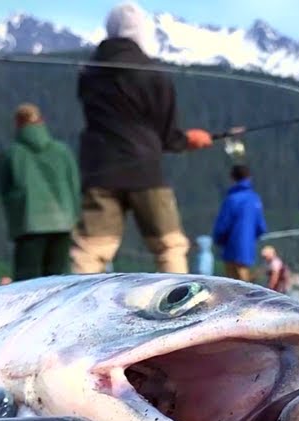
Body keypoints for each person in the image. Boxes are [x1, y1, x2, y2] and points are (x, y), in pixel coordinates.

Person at [71, 2, 213, 276]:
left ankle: (80, 301)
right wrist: (191, 140)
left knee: (89, 251)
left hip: (100, 169)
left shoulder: (88, 74)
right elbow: (168, 136)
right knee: (169, 247)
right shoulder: (154, 74)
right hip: (144, 170)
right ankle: (178, 300)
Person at [0, 103, 81, 281]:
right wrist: (73, 218)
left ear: (18, 123)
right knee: (60, 281)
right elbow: (74, 187)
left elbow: (4, 192)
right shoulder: (63, 152)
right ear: (41, 120)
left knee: (27, 282)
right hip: (62, 224)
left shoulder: (11, 154)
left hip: (28, 224)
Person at [211, 165, 267, 282]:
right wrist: (250, 239)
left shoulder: (232, 199)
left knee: (232, 284)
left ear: (232, 178)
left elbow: (223, 225)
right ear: (249, 177)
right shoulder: (255, 199)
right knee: (244, 281)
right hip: (248, 250)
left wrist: (218, 240)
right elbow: (261, 227)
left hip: (231, 249)